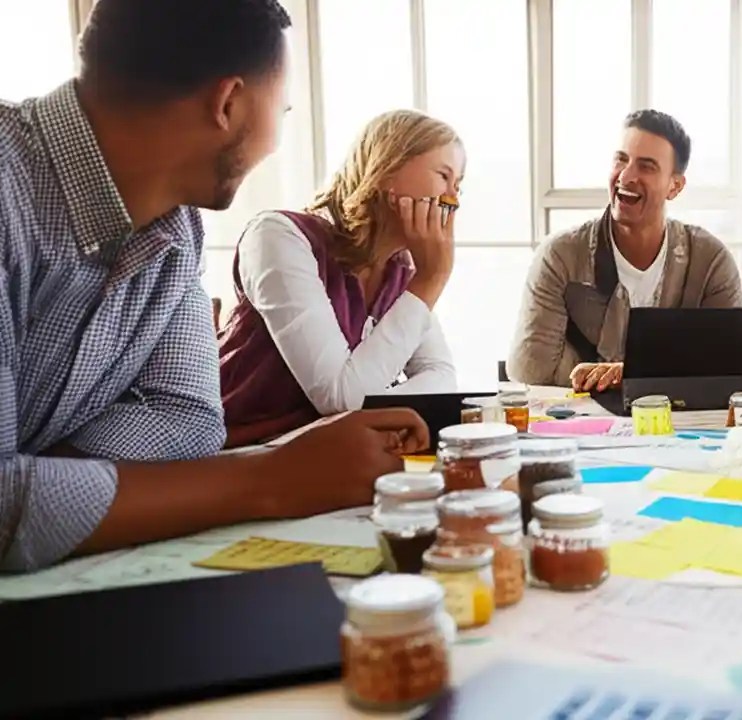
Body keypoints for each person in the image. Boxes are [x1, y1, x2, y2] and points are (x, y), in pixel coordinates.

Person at [0, 0, 426, 573]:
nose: (276, 140)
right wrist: (273, 479)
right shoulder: (9, 192)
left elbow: (190, 420)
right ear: (228, 103)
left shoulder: (177, 228)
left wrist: (40, 481)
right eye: (283, 109)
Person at [219, 110, 460, 446]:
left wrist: (377, 409)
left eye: (458, 185)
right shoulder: (278, 237)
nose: (454, 199)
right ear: (387, 170)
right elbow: (341, 399)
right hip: (247, 456)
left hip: (336, 453)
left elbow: (442, 376)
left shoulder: (400, 270)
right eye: (444, 176)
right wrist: (432, 279)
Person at [507, 109, 742, 391]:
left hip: (679, 428)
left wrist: (625, 374)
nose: (626, 176)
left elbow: (728, 368)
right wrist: (667, 372)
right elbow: (529, 371)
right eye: (621, 159)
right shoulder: (559, 256)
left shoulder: (711, 261)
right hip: (578, 427)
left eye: (646, 166)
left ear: (675, 186)